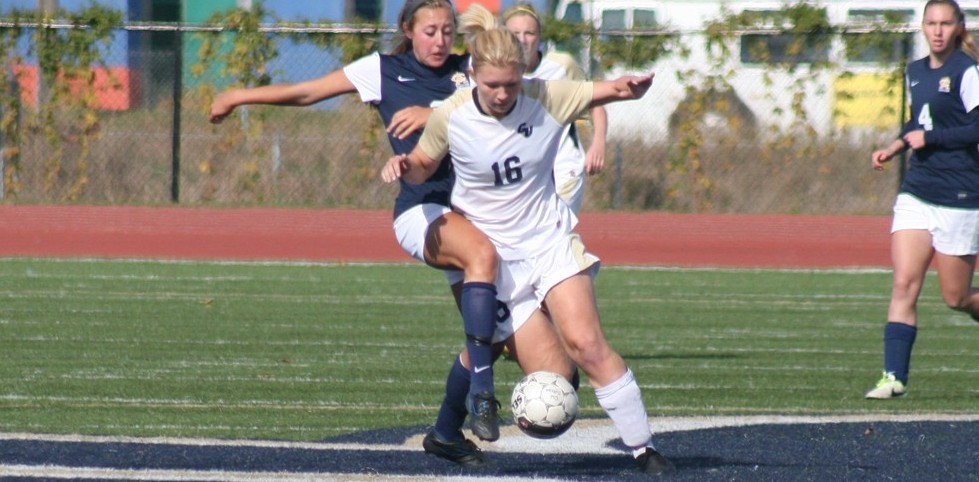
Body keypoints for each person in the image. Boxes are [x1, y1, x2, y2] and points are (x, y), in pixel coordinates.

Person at [381, 4, 673, 475]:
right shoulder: (452, 115)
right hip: (494, 259)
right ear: (472, 74)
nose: (501, 94)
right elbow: (422, 164)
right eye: (492, 84)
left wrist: (628, 88)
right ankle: (448, 427)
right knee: (538, 369)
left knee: (586, 344)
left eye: (510, 85)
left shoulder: (546, 96)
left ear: (523, 75)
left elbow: (607, 90)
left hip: (549, 242)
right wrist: (402, 166)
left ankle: (644, 449)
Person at [209, 0, 506, 440]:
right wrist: (239, 95)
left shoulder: (471, 69)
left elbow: (512, 99)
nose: (440, 40)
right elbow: (310, 92)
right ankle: (483, 396)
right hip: (423, 211)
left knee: (493, 337)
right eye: (429, 31)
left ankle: (445, 435)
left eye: (447, 30)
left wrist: (437, 113)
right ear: (407, 28)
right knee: (482, 263)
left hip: (477, 215)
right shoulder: (382, 70)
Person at [866, 0, 979, 399]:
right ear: (922, 26)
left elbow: (975, 128)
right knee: (904, 283)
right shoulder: (914, 71)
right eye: (931, 23)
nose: (937, 31)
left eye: (946, 23)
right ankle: (893, 377)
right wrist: (895, 147)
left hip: (960, 194)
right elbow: (919, 121)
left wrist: (930, 139)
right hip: (918, 189)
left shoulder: (968, 72)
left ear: (959, 27)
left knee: (956, 297)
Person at [503, 2, 608, 213]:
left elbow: (594, 101)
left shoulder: (561, 66)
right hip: (521, 175)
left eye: (529, 33)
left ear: (539, 37)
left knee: (552, 232)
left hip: (563, 168)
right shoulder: (496, 74)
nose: (522, 40)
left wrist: (598, 143)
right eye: (515, 33)